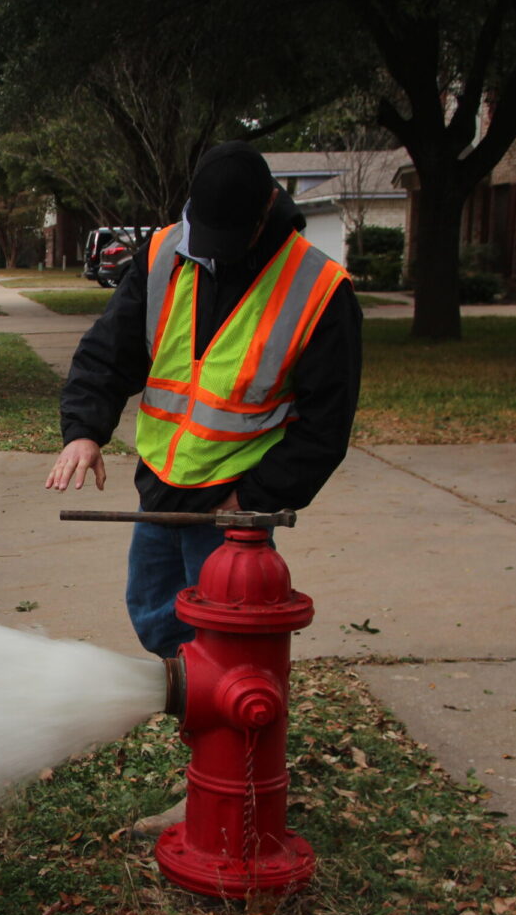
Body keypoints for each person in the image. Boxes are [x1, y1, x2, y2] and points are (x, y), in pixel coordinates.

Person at [45, 140, 362, 830]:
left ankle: (228, 783)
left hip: (234, 510)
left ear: (263, 217)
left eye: (224, 241)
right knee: (158, 620)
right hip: (162, 489)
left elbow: (325, 426)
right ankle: (211, 759)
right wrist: (84, 430)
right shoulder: (164, 254)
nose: (207, 252)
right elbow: (111, 349)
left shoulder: (318, 291)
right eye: (199, 234)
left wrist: (251, 499)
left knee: (229, 652)